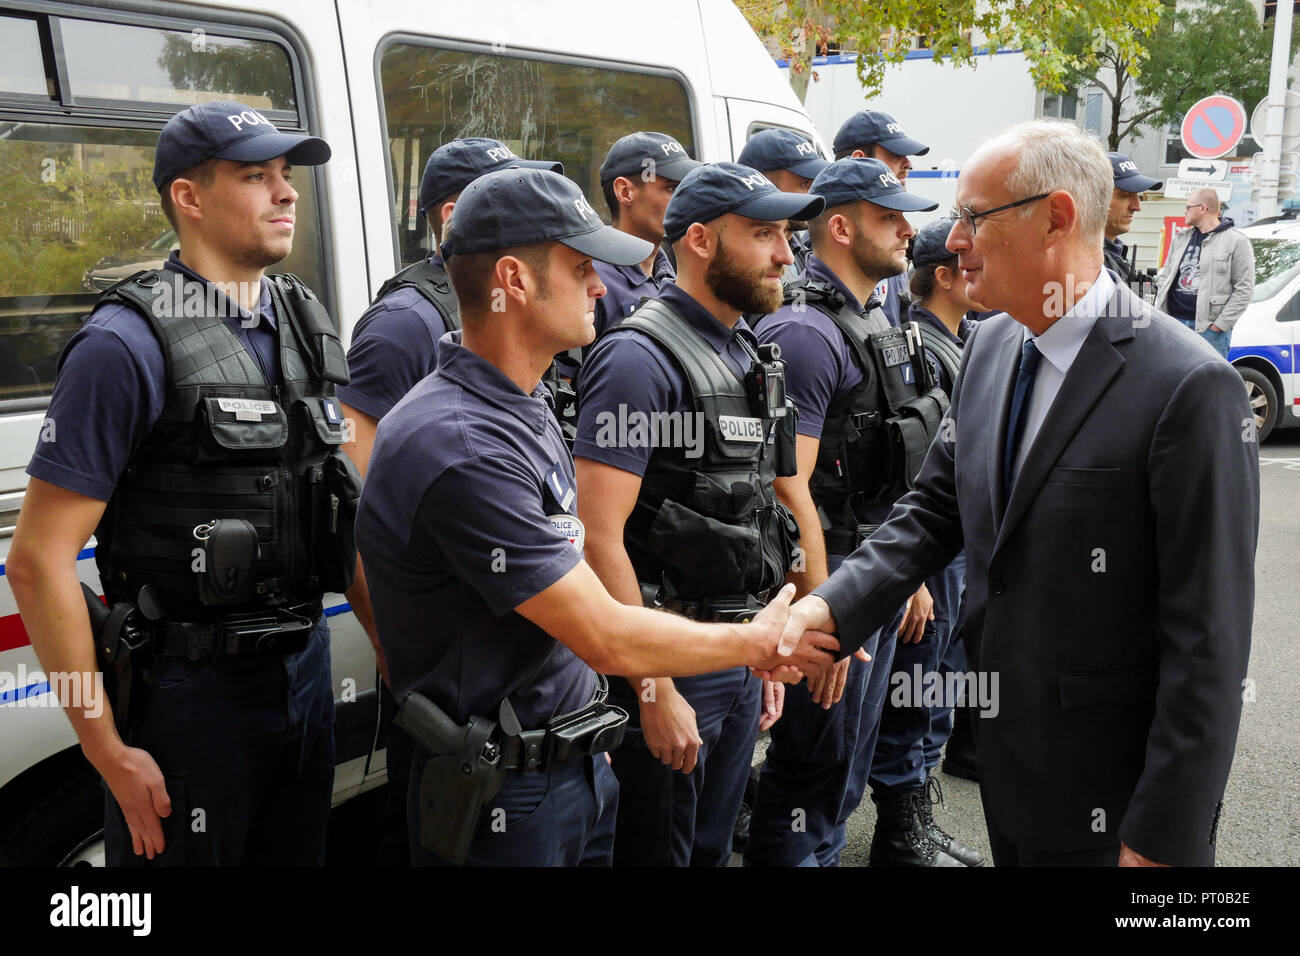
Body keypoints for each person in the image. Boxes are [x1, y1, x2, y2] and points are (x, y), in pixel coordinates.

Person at [769, 120, 1259, 867]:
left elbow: (1210, 643)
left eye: (974, 216)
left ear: (1057, 217)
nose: (952, 239)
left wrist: (1164, 836)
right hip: (1010, 764)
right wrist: (827, 609)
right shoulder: (995, 345)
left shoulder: (1188, 387)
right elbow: (935, 511)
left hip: (1117, 798)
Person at [354, 167, 838, 867]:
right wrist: (755, 644)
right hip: (501, 791)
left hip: (568, 760)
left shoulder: (520, 404)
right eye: (581, 267)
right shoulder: (459, 443)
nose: (602, 286)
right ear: (514, 281)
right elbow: (604, 633)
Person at [9, 101, 350, 865]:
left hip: (307, 669)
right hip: (189, 698)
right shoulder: (122, 345)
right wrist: (106, 750)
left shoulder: (305, 322)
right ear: (189, 198)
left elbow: (338, 496)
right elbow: (37, 561)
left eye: (286, 176)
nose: (287, 193)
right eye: (256, 176)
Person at [573, 162, 824, 866]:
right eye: (765, 234)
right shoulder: (637, 357)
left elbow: (772, 503)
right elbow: (597, 538)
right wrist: (651, 689)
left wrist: (764, 656)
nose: (786, 253)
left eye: (788, 235)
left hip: (738, 658)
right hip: (669, 664)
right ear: (701, 241)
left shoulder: (748, 350)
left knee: (710, 851)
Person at [337, 136, 561, 866]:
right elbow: (361, 507)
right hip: (450, 676)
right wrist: (396, 654)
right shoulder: (404, 322)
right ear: (457, 213)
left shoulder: (518, 317)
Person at [742, 158, 959, 868]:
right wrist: (823, 608)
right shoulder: (808, 331)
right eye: (888, 216)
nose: (907, 229)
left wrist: (906, 576)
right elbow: (787, 483)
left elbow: (891, 469)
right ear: (839, 226)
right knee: (812, 770)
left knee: (844, 769)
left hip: (869, 580)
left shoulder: (870, 318)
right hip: (836, 586)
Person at [863, 218, 985, 867]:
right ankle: (902, 832)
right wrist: (909, 577)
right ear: (944, 275)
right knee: (918, 689)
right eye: (968, 257)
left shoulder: (961, 343)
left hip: (950, 551)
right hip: (928, 550)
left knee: (935, 687)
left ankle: (912, 822)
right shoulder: (920, 348)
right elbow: (912, 467)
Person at [591, 132, 699, 340]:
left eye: (686, 188)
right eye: (672, 188)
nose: (685, 200)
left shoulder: (671, 276)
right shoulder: (593, 282)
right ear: (624, 191)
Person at [831, 109, 931, 324]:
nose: (908, 164)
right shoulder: (826, 245)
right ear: (858, 159)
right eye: (895, 154)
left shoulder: (891, 249)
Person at [1154, 186, 1255, 359]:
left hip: (1209, 331)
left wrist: (1219, 325)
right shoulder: (1181, 238)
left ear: (1203, 208)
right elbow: (1166, 274)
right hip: (1173, 324)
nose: (1185, 211)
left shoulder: (1237, 242)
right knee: (1172, 381)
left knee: (1208, 383)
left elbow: (1244, 289)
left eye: (1188, 207)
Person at [737, 128, 829, 281]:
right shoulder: (743, 261)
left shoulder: (800, 248)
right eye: (805, 184)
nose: (814, 194)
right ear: (763, 183)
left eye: (815, 184)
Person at [1103, 152, 1163, 291]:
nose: (1137, 206)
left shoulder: (1115, 253)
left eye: (1138, 196)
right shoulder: (1083, 262)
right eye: (1125, 195)